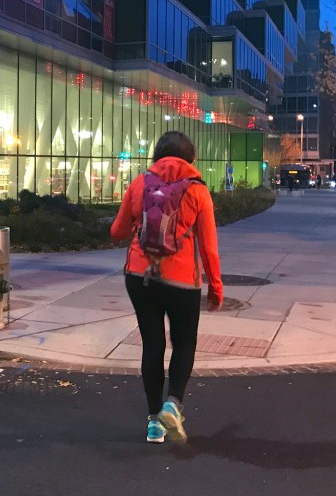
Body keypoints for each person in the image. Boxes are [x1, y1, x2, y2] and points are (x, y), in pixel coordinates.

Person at [110, 131, 223, 444]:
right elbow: (209, 247)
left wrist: (135, 223)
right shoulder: (198, 191)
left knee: (153, 344)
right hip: (182, 280)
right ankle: (173, 404)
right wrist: (215, 286)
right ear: (191, 159)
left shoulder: (139, 184)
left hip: (139, 276)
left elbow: (117, 230)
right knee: (184, 342)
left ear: (157, 155)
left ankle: (153, 423)